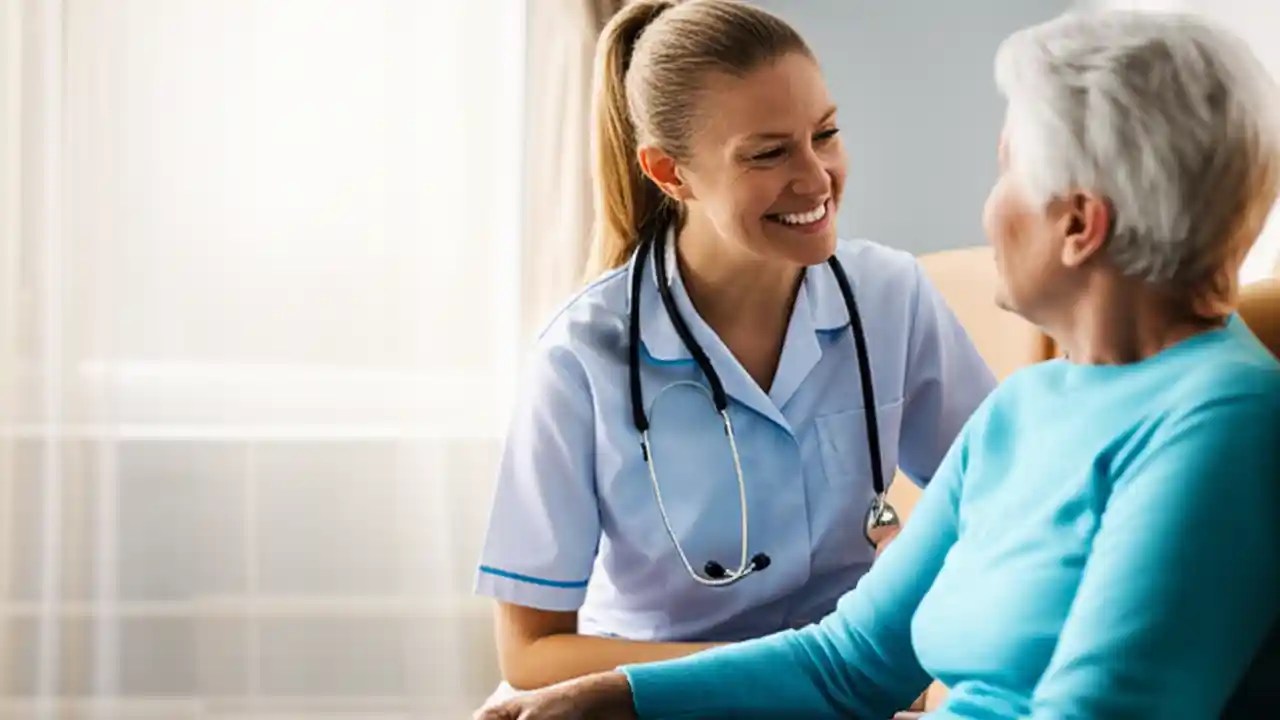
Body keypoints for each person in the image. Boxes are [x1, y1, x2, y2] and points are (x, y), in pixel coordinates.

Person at [476, 8, 1280, 719]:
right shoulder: (1026, 408)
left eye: (1007, 168)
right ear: (670, 171)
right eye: (768, 152)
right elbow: (849, 661)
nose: (986, 206)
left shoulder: (1226, 423)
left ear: (1077, 224)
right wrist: (614, 697)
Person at [473, 0, 995, 697]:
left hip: (843, 695)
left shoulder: (890, 296)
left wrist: (926, 572)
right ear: (670, 172)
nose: (815, 178)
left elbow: (1006, 502)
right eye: (769, 153)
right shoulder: (581, 357)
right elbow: (532, 654)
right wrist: (766, 679)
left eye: (827, 134)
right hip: (650, 701)